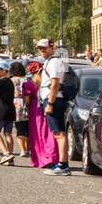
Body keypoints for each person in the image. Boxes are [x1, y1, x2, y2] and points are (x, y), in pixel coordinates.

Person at [36, 38, 72, 176]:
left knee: (59, 133)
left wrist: (50, 103)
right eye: (40, 48)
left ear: (52, 48)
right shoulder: (50, 61)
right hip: (52, 99)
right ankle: (61, 164)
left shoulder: (54, 62)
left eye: (44, 48)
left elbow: (55, 83)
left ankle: (63, 165)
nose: (42, 51)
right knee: (57, 133)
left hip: (54, 100)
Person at [10, 62, 30, 157]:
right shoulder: (27, 79)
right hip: (28, 103)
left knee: (19, 128)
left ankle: (23, 150)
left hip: (16, 104)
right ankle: (28, 149)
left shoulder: (11, 80)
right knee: (28, 127)